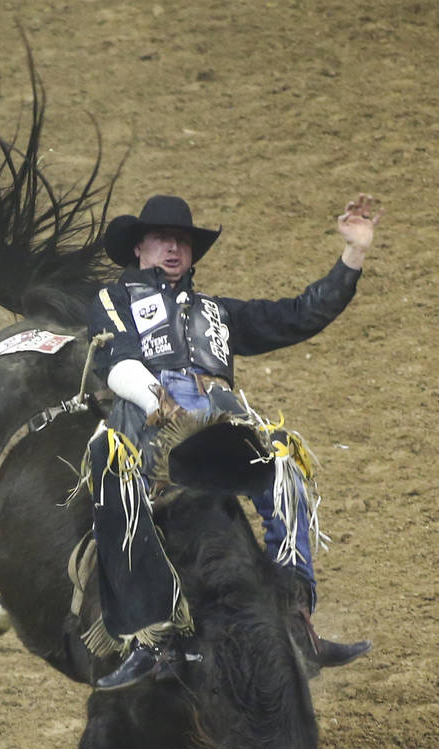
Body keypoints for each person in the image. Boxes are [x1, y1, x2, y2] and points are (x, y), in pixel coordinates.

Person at [84, 193, 381, 690]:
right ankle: (149, 636)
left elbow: (299, 315)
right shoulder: (113, 300)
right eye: (163, 240)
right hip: (146, 414)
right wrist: (157, 399)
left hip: (219, 425)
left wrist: (354, 254)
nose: (174, 249)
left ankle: (295, 616)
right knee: (114, 469)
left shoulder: (218, 312)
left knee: (282, 461)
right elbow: (116, 359)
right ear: (140, 248)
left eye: (182, 241)